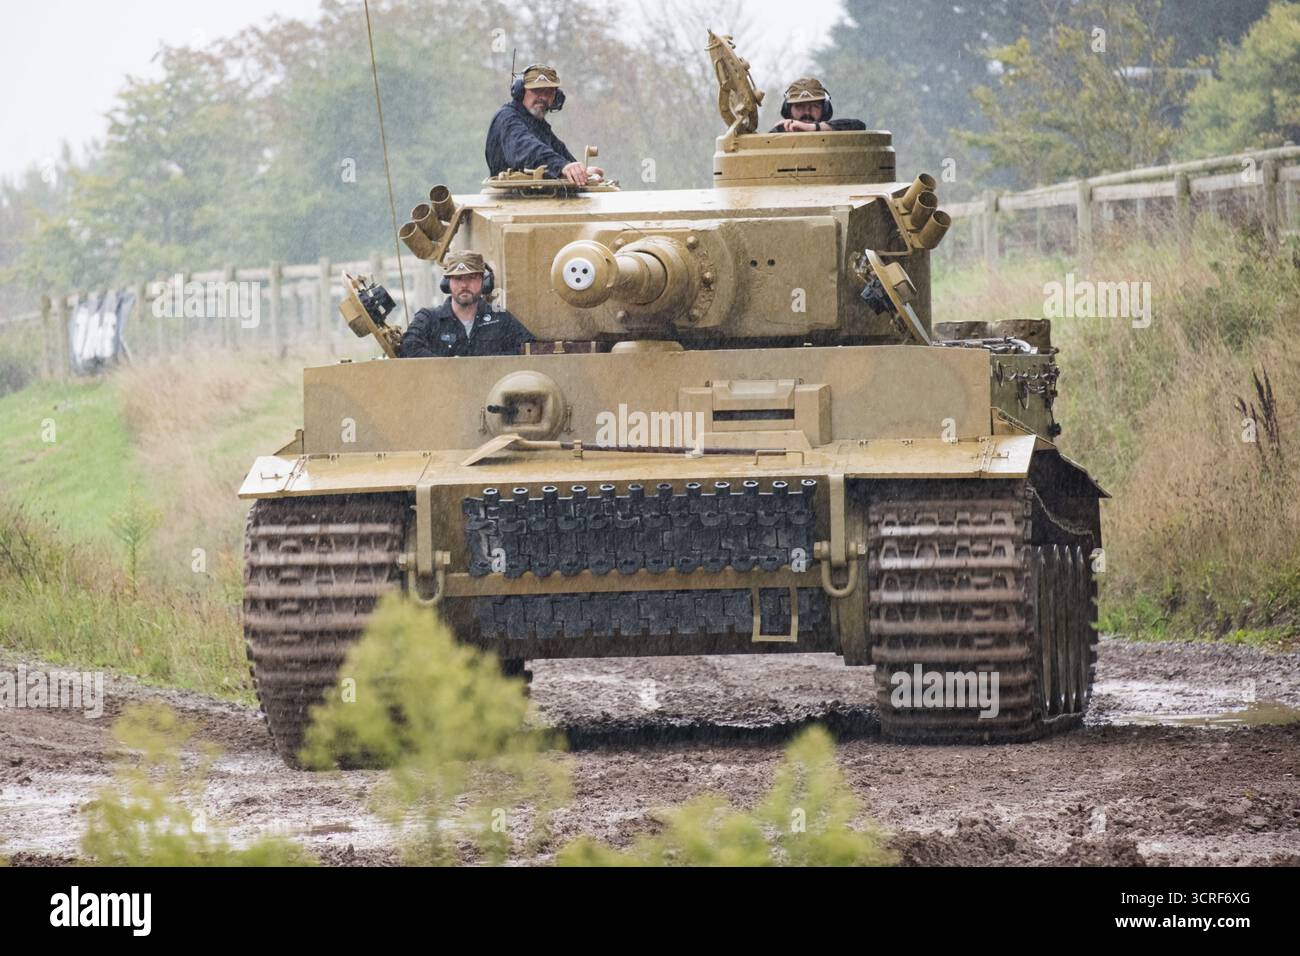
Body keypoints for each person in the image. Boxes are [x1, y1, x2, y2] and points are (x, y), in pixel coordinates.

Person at [484, 64, 604, 186]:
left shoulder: (538, 125)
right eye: (536, 90)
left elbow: (559, 154)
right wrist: (562, 166)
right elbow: (526, 149)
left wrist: (581, 172)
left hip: (536, 198)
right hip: (509, 199)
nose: (543, 97)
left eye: (549, 92)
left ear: (556, 97)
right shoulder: (507, 118)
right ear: (521, 92)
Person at [398, 251, 535, 357]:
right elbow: (408, 347)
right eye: (457, 278)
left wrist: (489, 363)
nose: (464, 284)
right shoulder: (429, 319)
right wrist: (448, 366)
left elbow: (530, 348)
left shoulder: (500, 319)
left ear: (484, 281)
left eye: (472, 277)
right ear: (447, 283)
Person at [769, 77, 866, 132]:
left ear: (825, 109)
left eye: (814, 105)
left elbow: (859, 126)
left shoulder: (833, 132)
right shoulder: (777, 135)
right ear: (788, 109)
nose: (807, 112)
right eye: (799, 106)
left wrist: (814, 128)